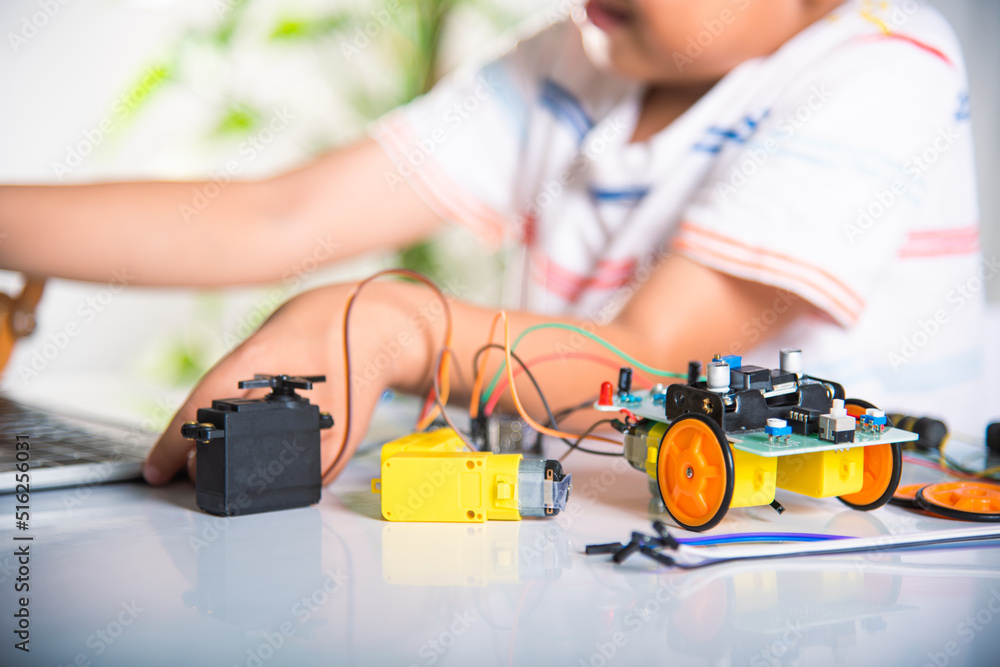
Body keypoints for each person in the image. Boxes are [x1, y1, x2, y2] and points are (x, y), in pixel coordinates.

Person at [0, 0, 985, 486]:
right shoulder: (572, 61)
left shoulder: (885, 70)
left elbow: (653, 364)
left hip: (858, 554)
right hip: (616, 523)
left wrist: (396, 324)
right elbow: (279, 217)